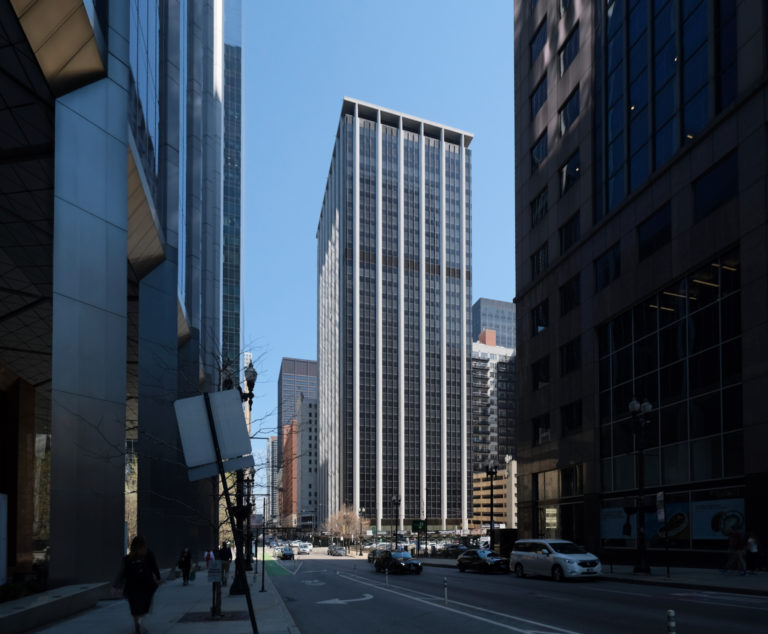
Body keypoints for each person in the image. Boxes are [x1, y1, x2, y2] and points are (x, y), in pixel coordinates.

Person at [114, 535, 162, 634]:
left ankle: (137, 625)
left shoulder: (128, 558)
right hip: (146, 585)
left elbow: (123, 573)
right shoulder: (148, 554)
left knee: (135, 608)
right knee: (144, 607)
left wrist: (116, 585)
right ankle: (140, 623)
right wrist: (158, 578)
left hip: (132, 586)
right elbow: (154, 567)